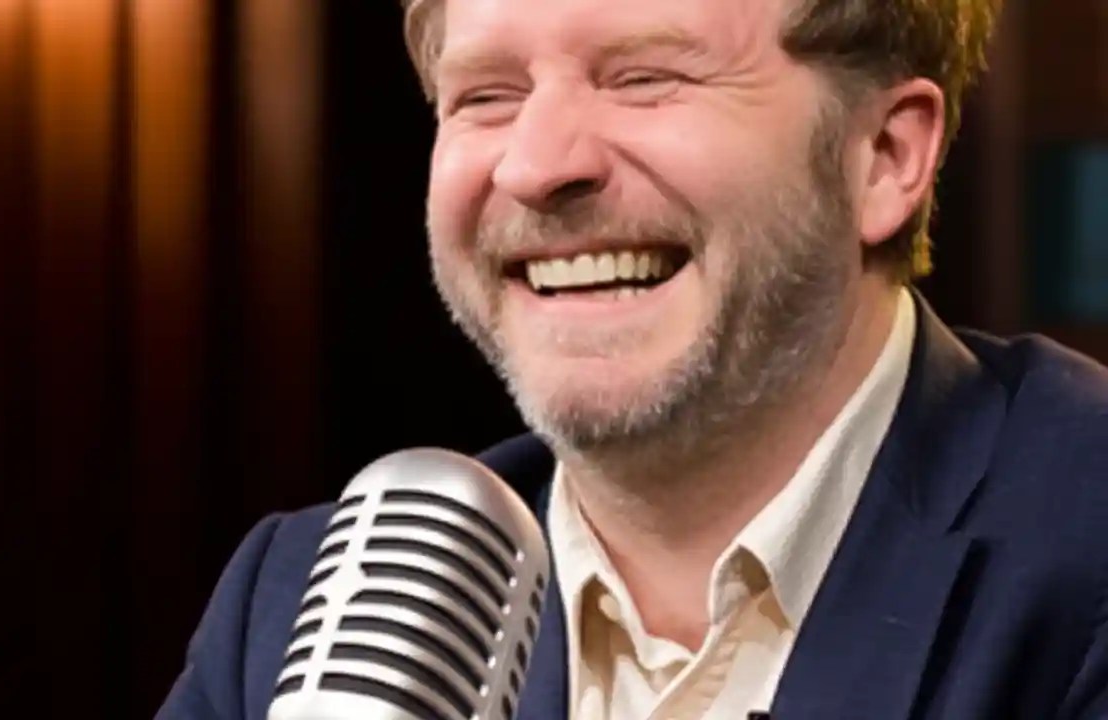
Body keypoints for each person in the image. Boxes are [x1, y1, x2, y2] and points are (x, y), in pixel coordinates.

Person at [158, 0, 1108, 717]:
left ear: (885, 156)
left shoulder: (1085, 542)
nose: (537, 164)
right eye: (488, 96)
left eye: (644, 77)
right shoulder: (292, 614)